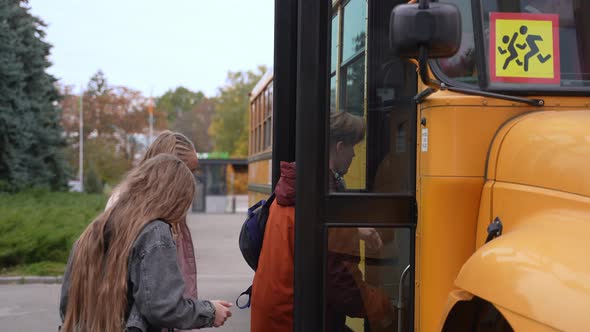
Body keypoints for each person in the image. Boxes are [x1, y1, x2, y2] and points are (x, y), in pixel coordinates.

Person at [59, 154, 232, 332]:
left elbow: (67, 303)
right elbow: (163, 307)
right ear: (173, 198)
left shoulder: (94, 230)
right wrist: (210, 312)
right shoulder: (155, 233)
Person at [107, 131, 200, 331]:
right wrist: (206, 312)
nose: (190, 179)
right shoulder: (126, 204)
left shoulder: (166, 206)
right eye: (188, 171)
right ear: (168, 168)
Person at [250, 161, 296, 332]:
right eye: (351, 147)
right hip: (283, 316)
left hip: (269, 310)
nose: (353, 154)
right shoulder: (302, 207)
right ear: (339, 147)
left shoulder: (280, 200)